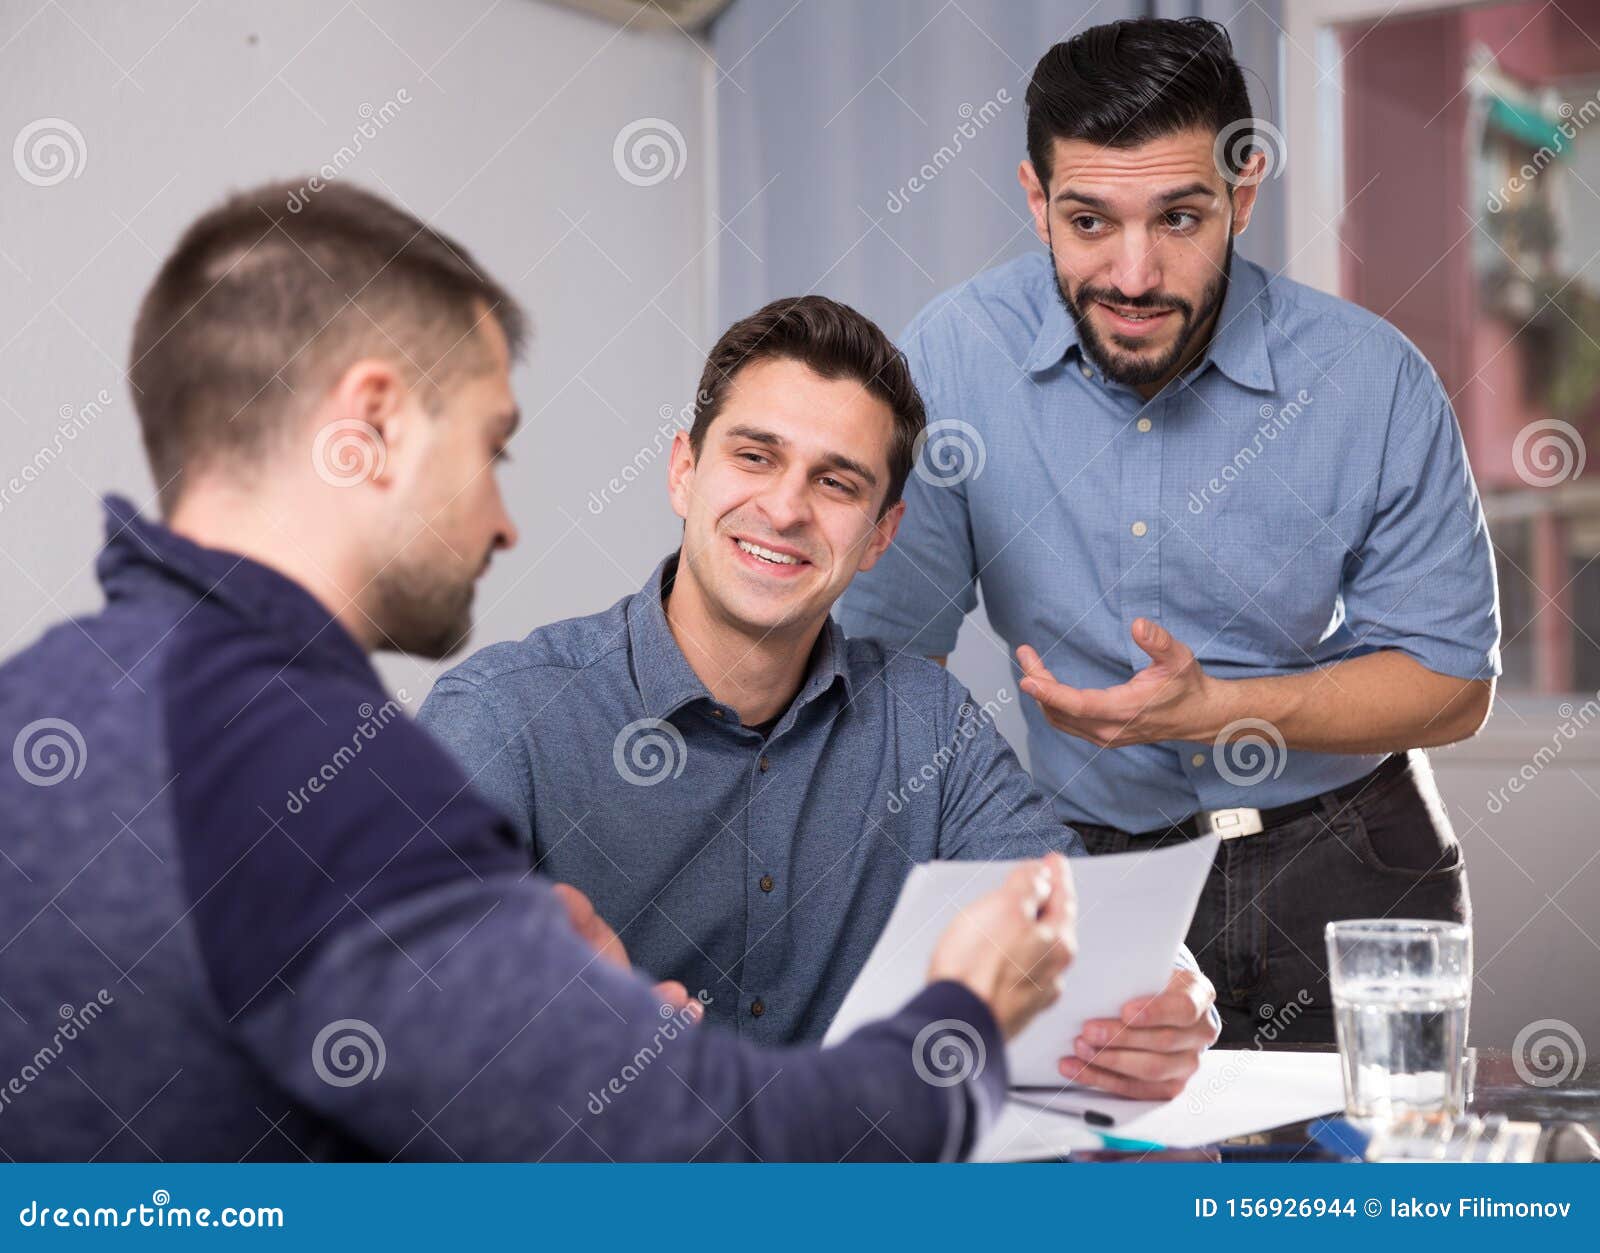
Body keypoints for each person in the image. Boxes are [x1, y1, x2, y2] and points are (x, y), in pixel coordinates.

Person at [0, 180, 1077, 1162]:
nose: (506, 522)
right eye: (493, 447)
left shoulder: (50, 696)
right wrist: (966, 1013)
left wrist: (547, 1010)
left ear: (883, 528)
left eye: (836, 482)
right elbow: (701, 1160)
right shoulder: (309, 765)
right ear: (370, 423)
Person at [837, 17, 1500, 1045]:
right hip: (1091, 868)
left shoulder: (1371, 380)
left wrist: (1213, 709)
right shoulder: (954, 356)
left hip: (1346, 856)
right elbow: (887, 659)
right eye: (1089, 221)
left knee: (1375, 1185)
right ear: (1034, 200)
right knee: (1110, 1195)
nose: (1134, 275)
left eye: (1179, 219)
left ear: (1241, 194)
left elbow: (1451, 684)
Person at [420, 295, 1219, 1100]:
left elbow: (1080, 926)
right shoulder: (503, 717)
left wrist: (1172, 992)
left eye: (836, 482)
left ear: (881, 533)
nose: (786, 508)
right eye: (756, 456)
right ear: (683, 471)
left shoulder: (930, 724)